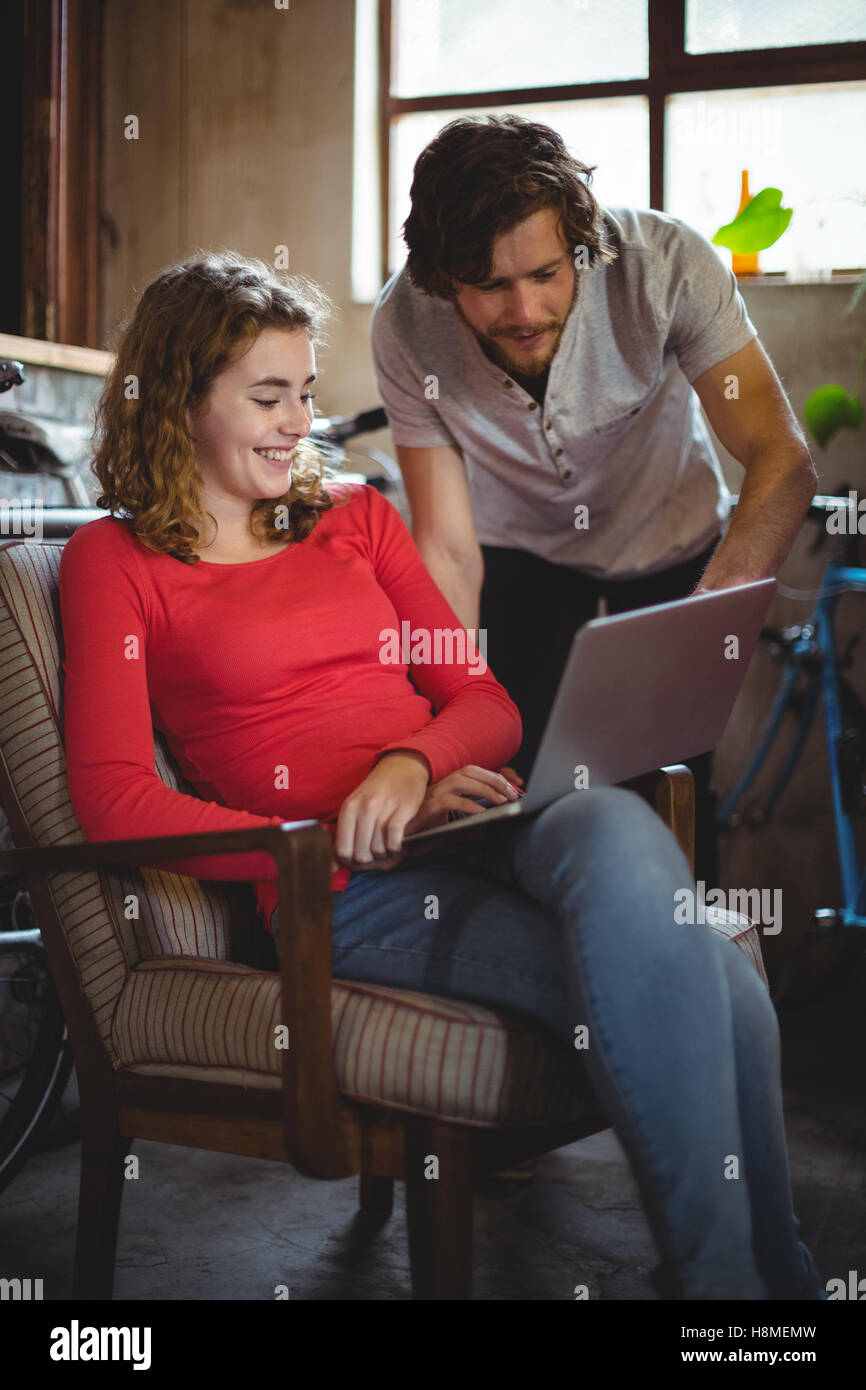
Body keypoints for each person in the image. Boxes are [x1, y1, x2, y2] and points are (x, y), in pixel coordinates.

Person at [59, 250, 823, 1301]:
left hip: (478, 817)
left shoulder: (354, 516)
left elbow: (486, 707)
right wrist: (318, 832)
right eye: (266, 397)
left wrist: (412, 762)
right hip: (348, 890)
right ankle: (746, 1292)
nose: (297, 423)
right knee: (722, 982)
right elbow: (111, 796)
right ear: (181, 400)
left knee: (608, 819)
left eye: (305, 394)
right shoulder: (117, 560)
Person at [370, 114, 818, 888]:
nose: (523, 311)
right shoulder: (405, 323)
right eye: (489, 286)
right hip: (522, 553)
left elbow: (782, 458)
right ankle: (549, 983)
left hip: (673, 542)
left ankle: (689, 962)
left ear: (582, 242)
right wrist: (448, 720)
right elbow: (445, 546)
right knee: (528, 782)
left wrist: (702, 623)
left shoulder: (668, 263)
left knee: (674, 779)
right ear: (444, 279)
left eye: (546, 275)